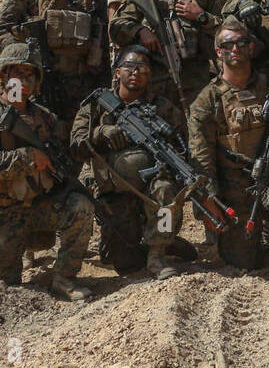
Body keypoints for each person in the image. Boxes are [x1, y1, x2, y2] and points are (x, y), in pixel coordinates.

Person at [0, 42, 94, 300]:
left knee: (80, 206)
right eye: (18, 74)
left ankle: (64, 278)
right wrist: (28, 157)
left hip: (37, 206)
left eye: (30, 75)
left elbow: (63, 158)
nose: (24, 81)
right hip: (1, 212)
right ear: (3, 75)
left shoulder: (45, 117)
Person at [188, 19, 269, 281]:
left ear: (251, 48)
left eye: (242, 43)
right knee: (246, 259)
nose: (236, 49)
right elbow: (202, 157)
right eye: (228, 44)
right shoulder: (207, 100)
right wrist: (209, 201)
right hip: (234, 186)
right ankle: (266, 233)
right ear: (218, 52)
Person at [70, 45, 190, 280]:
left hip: (153, 190)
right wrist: (100, 133)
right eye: (130, 67)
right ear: (117, 72)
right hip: (115, 194)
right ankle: (159, 241)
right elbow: (76, 145)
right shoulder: (96, 106)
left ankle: (159, 252)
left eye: (143, 68)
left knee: (167, 193)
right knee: (126, 263)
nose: (136, 72)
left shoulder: (163, 108)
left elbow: (183, 147)